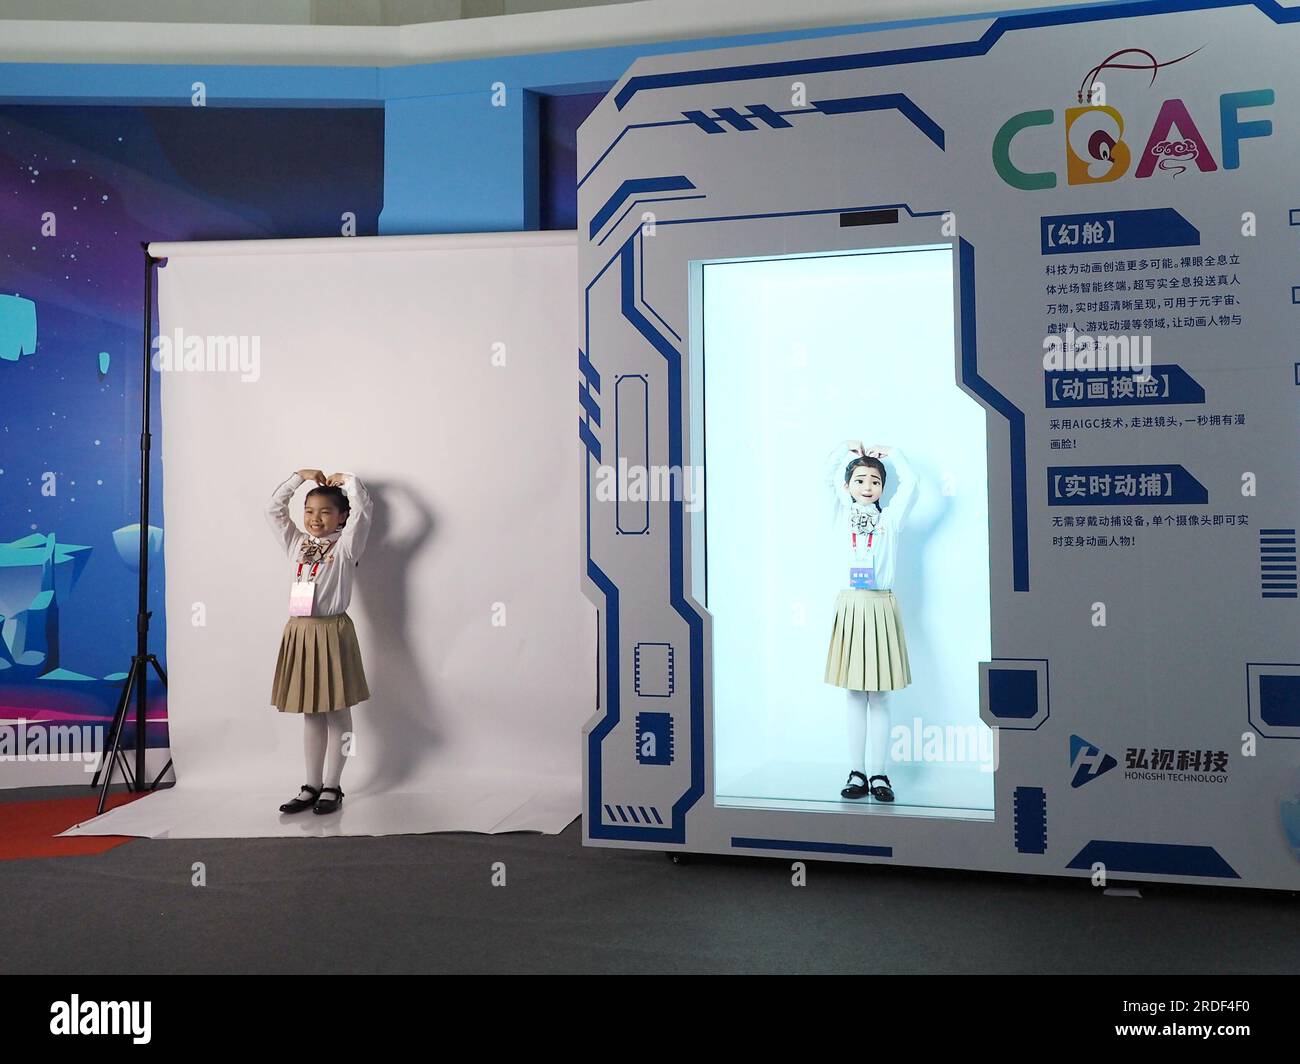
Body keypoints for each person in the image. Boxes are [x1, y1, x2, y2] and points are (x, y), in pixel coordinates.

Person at [264, 468, 373, 815]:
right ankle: (311, 784)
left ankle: (333, 785)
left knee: (337, 708)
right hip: (301, 630)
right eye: (309, 511)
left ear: (342, 517)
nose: (315, 518)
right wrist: (298, 478)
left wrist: (351, 483)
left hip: (331, 630)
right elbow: (273, 510)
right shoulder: (298, 544)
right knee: (312, 710)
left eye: (326, 512)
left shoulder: (345, 546)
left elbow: (365, 511)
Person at [822, 441, 917, 803]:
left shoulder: (891, 520)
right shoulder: (841, 513)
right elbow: (826, 477)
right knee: (853, 693)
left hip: (880, 605)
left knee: (878, 695)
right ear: (847, 486)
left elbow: (913, 484)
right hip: (850, 604)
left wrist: (896, 453)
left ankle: (879, 774)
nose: (867, 486)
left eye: (875, 481)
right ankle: (856, 771)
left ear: (882, 487)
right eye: (859, 479)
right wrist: (844, 453)